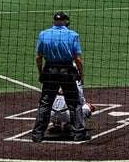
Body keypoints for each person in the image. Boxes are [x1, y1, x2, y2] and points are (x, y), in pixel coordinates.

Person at [31, 11, 90, 143]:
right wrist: (81, 74)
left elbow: (38, 57)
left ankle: (37, 135)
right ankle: (78, 134)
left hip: (50, 70)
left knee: (45, 103)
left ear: (53, 20)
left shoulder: (43, 34)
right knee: (74, 103)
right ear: (65, 21)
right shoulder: (72, 35)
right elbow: (78, 58)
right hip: (66, 70)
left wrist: (41, 73)